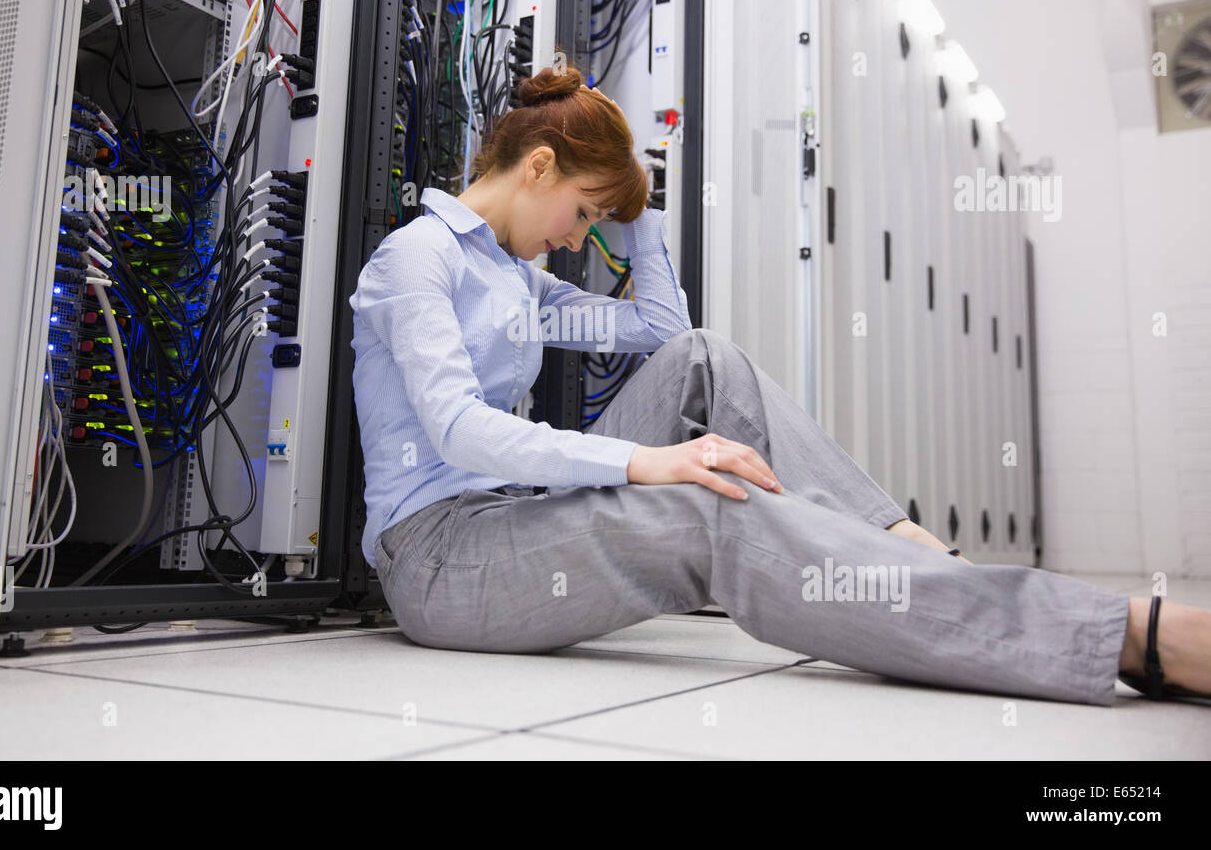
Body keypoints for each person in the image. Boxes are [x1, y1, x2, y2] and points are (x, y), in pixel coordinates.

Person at [347, 63, 1210, 707]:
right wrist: (651, 465)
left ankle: (915, 549)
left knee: (709, 360)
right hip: (440, 561)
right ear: (537, 169)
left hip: (510, 515)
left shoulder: (518, 283)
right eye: (582, 211)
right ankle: (1120, 639)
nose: (579, 238)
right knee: (709, 502)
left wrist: (634, 205)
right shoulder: (417, 260)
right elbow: (458, 431)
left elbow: (662, 333)